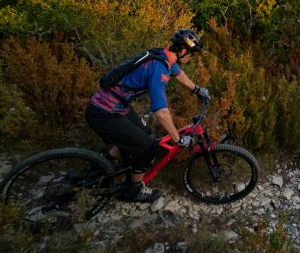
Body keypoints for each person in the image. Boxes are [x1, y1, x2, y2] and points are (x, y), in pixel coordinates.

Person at [85, 29, 210, 203]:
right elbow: (161, 112)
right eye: (191, 54)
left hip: (114, 105)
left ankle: (103, 165)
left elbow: (178, 73)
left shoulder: (163, 56)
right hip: (104, 112)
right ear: (182, 51)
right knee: (149, 148)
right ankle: (132, 191)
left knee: (146, 132)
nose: (190, 58)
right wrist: (177, 139)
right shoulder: (159, 71)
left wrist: (197, 89)